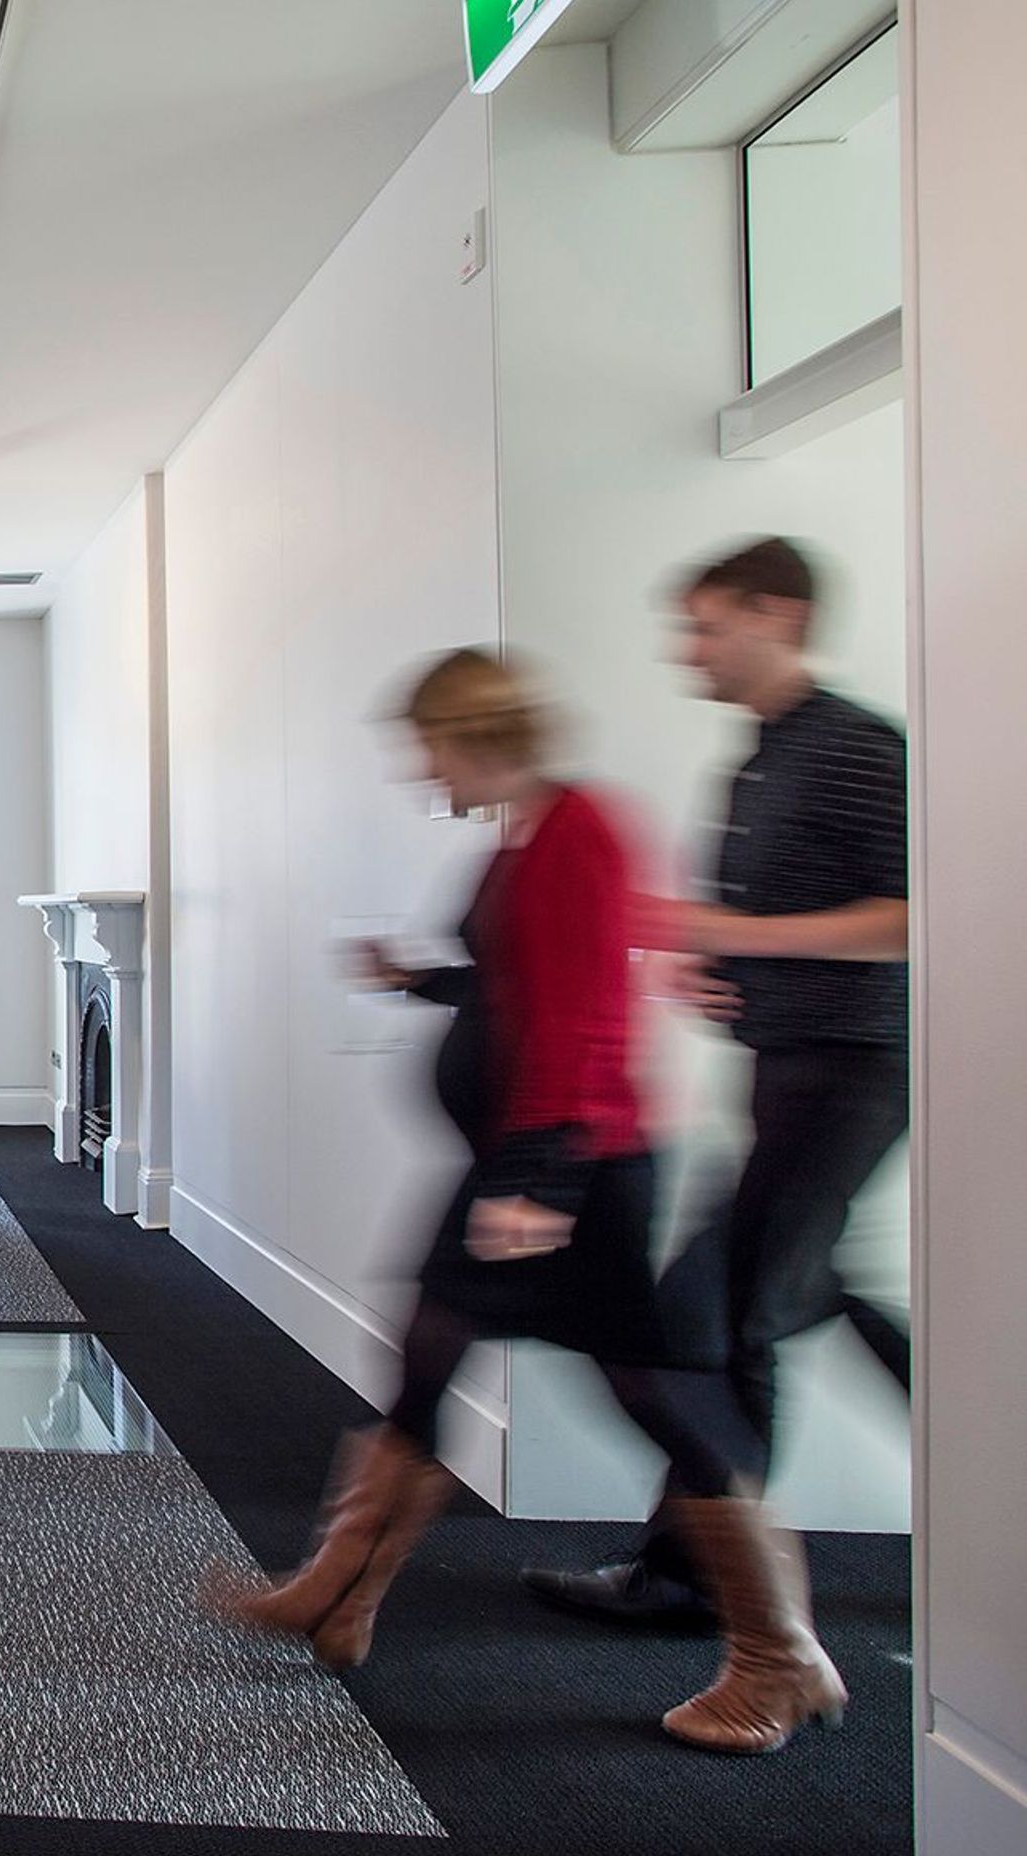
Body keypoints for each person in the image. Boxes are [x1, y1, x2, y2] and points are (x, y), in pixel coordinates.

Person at [203, 649, 843, 1756]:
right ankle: (338, 1591)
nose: (421, 770)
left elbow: (587, 1019)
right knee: (433, 1351)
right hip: (535, 1156)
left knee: (649, 1388)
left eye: (429, 746)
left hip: (575, 1167)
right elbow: (521, 982)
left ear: (479, 732)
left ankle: (778, 1656)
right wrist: (420, 979)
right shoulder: (529, 832)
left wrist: (533, 1183)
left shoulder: (581, 828)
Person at [526, 537, 911, 1630]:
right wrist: (721, 966)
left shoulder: (855, 747)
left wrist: (721, 928)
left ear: (777, 614)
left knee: (716, 1307)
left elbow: (912, 913)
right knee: (783, 1294)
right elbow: (786, 928)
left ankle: (697, 1576)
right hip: (783, 1067)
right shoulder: (758, 758)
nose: (686, 647)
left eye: (705, 624)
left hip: (852, 1075)